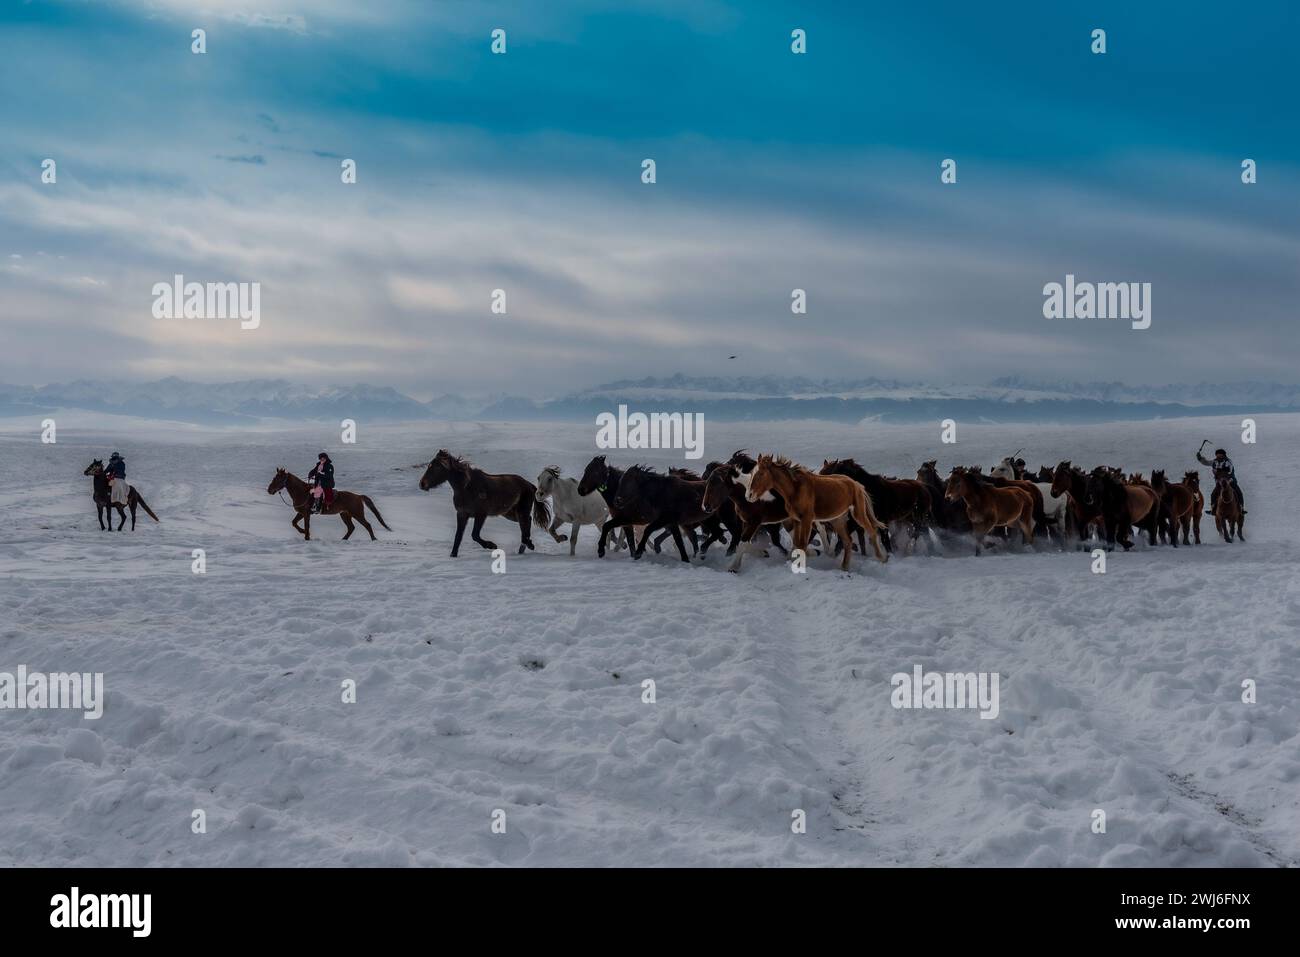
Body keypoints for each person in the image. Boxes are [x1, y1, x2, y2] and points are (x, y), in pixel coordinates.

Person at [1195, 443, 1244, 515]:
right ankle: (1213, 508)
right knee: (1213, 494)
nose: (1218, 456)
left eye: (1220, 455)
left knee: (1239, 492)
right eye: (1217, 455)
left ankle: (1241, 508)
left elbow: (1229, 471)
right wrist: (1200, 458)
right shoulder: (1215, 461)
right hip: (1219, 483)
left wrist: (1217, 471)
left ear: (1224, 455)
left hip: (1230, 482)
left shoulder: (1228, 462)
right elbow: (1206, 462)